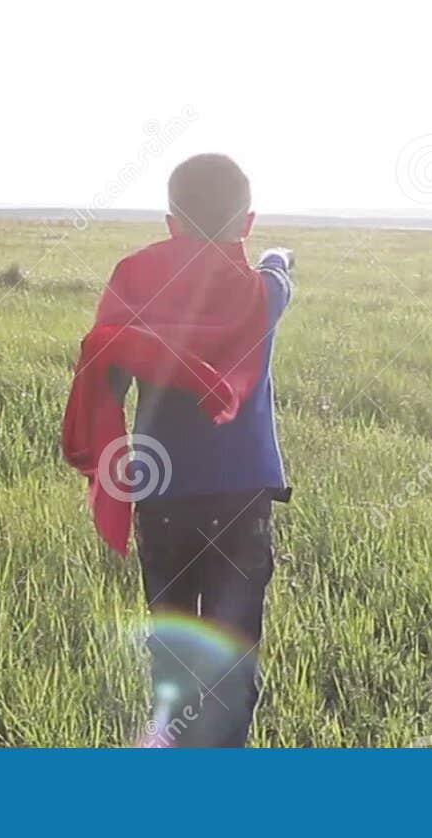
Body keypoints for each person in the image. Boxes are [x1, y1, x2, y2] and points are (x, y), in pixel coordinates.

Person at [61, 153, 293, 747]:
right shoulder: (263, 293)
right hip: (242, 505)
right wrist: (275, 254)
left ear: (170, 224)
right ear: (247, 222)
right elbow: (278, 265)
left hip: (163, 501)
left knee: (173, 659)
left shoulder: (140, 292)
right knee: (233, 663)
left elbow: (108, 369)